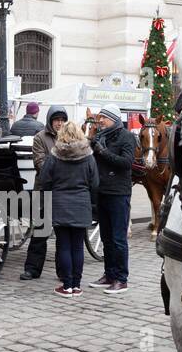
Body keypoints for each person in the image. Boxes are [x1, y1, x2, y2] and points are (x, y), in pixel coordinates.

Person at [39, 119, 98, 297]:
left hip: (60, 204)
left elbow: (44, 180)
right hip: (81, 204)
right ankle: (76, 285)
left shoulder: (55, 155)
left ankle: (66, 286)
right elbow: (95, 183)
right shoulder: (88, 156)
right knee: (78, 247)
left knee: (63, 246)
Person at [89, 103, 137, 294]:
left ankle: (121, 278)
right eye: (100, 118)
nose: (100, 121)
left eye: (104, 118)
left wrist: (102, 152)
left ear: (114, 119)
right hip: (102, 192)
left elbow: (126, 163)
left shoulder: (126, 137)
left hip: (118, 193)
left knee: (118, 239)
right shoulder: (100, 136)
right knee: (106, 237)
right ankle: (109, 274)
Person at [20, 105, 68, 281]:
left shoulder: (69, 137)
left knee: (63, 235)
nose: (59, 123)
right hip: (45, 190)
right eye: (56, 120)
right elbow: (41, 164)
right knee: (40, 232)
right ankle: (32, 269)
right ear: (50, 121)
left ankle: (63, 271)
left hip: (64, 192)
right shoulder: (40, 137)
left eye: (62, 120)